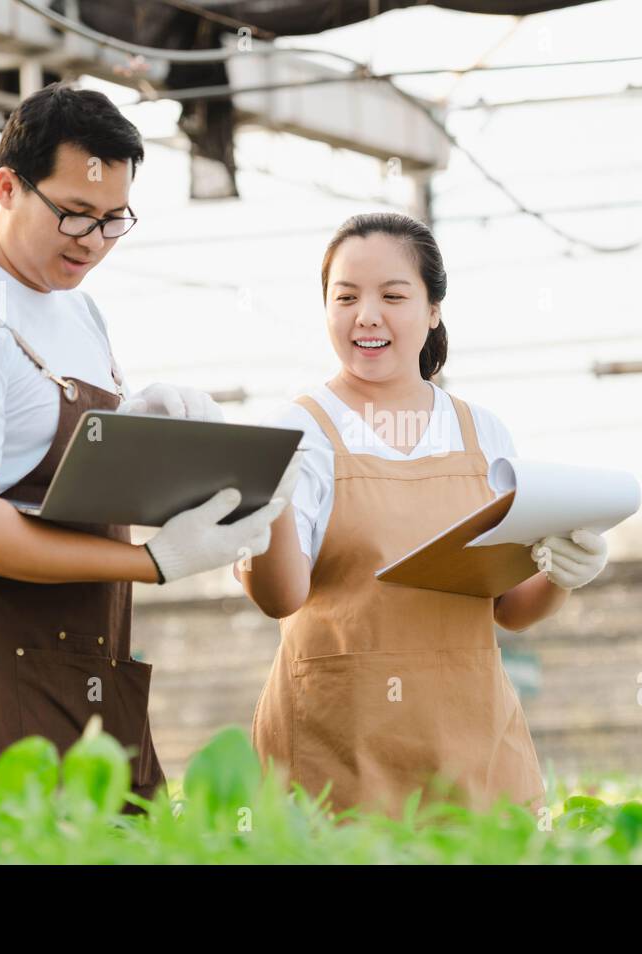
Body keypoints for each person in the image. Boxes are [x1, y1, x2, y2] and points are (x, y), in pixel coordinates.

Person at [0, 81, 292, 811]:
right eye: (73, 213)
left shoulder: (78, 309)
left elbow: (59, 467)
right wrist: (151, 561)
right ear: (6, 186)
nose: (93, 241)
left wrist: (145, 428)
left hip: (80, 658)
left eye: (112, 219)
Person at [235, 211, 607, 818]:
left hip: (474, 753)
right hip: (337, 755)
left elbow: (510, 610)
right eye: (346, 297)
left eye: (393, 296)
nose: (367, 315)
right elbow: (280, 597)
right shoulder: (294, 430)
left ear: (433, 309)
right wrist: (262, 505)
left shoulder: (482, 432)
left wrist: (562, 572)